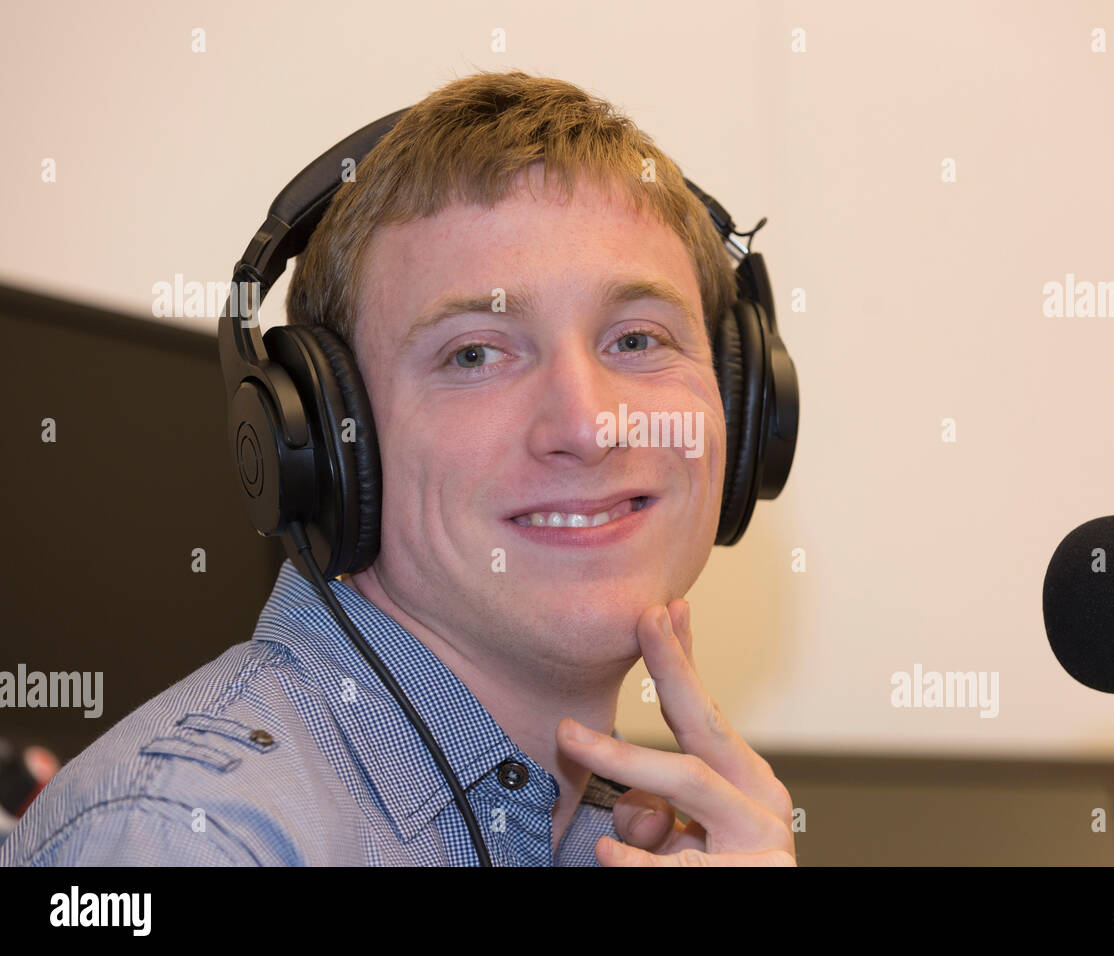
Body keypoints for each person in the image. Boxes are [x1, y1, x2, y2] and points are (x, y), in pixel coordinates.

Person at [0, 70, 796, 866]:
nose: (589, 428)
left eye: (636, 340)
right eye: (475, 353)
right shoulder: (182, 838)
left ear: (741, 405)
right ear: (330, 443)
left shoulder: (642, 834)